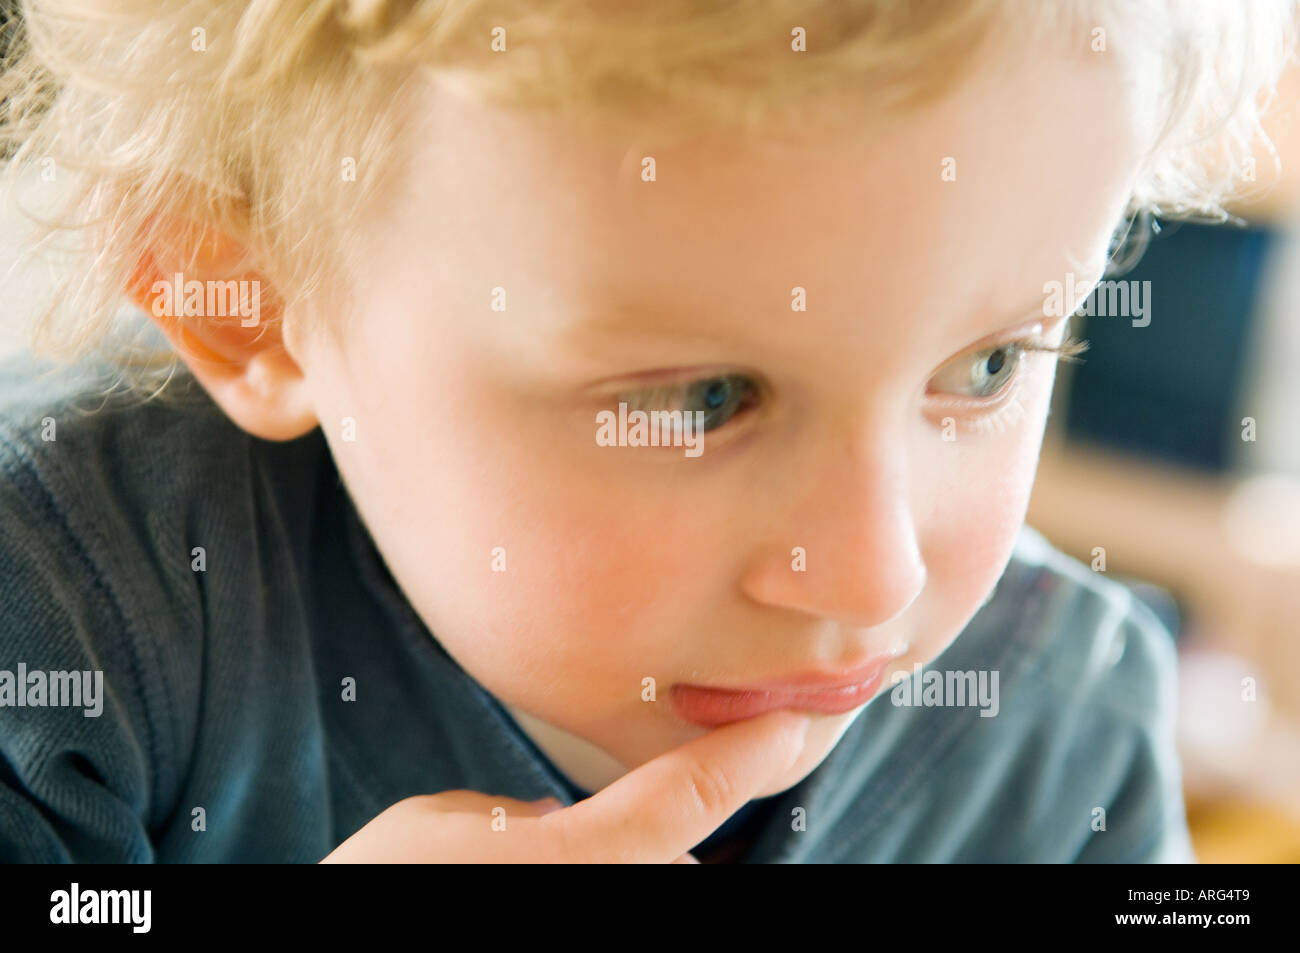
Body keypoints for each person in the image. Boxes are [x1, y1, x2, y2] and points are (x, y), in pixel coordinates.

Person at [0, 0, 1292, 863]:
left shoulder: (1061, 723)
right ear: (258, 311)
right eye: (700, 400)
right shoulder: (65, 625)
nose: (873, 575)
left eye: (990, 363)